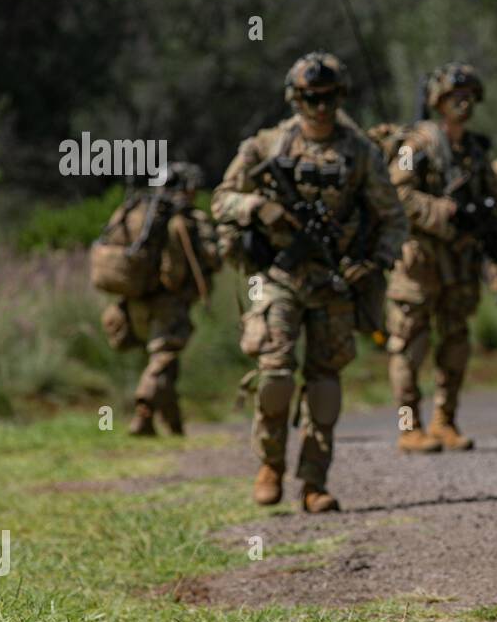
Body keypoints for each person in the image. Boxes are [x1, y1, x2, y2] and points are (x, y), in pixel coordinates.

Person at [212, 51, 407, 512]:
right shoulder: (265, 146)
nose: (320, 108)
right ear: (294, 98)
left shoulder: (360, 152)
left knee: (324, 385)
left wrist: (374, 262)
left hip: (332, 279)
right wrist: (257, 209)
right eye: (310, 98)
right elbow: (222, 200)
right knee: (276, 372)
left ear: (341, 98)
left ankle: (314, 481)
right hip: (276, 275)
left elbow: (393, 218)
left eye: (329, 98)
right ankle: (270, 464)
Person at [385, 61, 497, 454]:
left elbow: (495, 210)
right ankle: (409, 426)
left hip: (460, 264)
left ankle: (445, 420)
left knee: (456, 343)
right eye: (454, 97)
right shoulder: (416, 146)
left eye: (468, 97)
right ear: (438, 102)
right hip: (419, 263)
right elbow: (397, 191)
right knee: (409, 345)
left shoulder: (475, 152)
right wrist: (441, 212)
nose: (463, 104)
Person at [94, 162, 221, 437]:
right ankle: (142, 412)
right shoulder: (185, 219)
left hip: (132, 300)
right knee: (163, 358)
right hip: (168, 302)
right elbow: (212, 257)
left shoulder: (134, 212)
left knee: (165, 365)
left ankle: (172, 426)